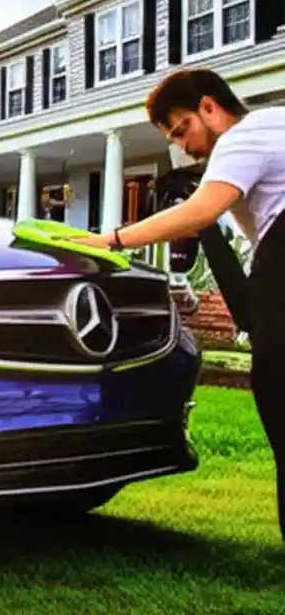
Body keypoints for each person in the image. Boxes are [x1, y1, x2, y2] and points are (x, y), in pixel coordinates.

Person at [71, 67, 285, 543]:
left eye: (183, 128)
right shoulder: (275, 127)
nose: (183, 145)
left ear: (210, 107)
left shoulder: (243, 137)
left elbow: (198, 212)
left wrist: (112, 240)